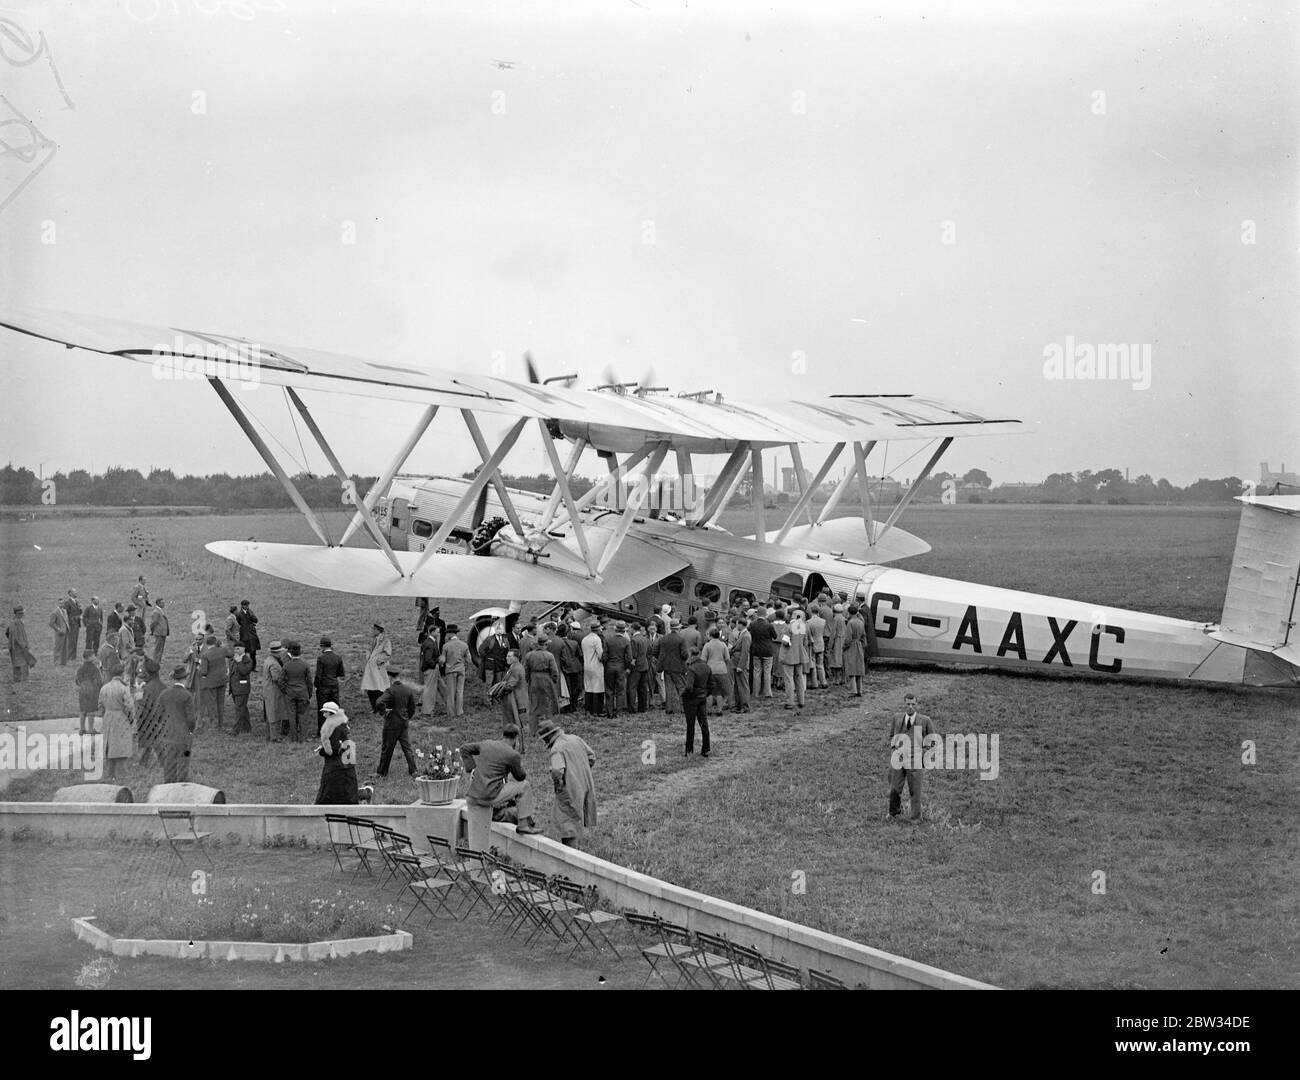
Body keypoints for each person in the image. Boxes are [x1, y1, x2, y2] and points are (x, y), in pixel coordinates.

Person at [459, 725, 542, 848]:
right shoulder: (512, 755)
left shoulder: (486, 744)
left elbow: (464, 748)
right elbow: (520, 777)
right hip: (488, 797)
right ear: (516, 739)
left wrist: (472, 769)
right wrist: (516, 761)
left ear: (503, 735)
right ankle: (523, 825)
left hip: (472, 795)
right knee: (524, 786)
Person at [538, 718, 597, 847]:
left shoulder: (557, 749)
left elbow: (557, 771)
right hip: (585, 783)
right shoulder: (575, 739)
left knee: (567, 822)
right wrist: (580, 770)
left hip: (569, 788)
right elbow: (591, 756)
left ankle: (571, 854)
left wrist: (558, 785)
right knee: (576, 817)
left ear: (548, 737)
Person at [888, 694, 940, 821]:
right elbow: (891, 736)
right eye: (908, 704)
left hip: (915, 760)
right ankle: (893, 813)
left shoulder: (925, 720)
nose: (910, 707)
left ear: (917, 704)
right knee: (895, 787)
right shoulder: (897, 718)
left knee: (915, 790)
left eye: (913, 704)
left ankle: (915, 818)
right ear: (904, 704)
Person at [374, 667, 417, 778]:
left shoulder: (391, 690)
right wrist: (407, 717)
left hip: (391, 724)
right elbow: (412, 707)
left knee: (387, 749)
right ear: (398, 676)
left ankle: (382, 772)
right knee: (407, 748)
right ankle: (414, 770)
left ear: (389, 677)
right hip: (403, 723)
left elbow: (379, 702)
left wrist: (384, 712)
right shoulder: (407, 690)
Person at [157, 664, 197, 784]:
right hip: (184, 737)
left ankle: (168, 788)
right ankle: (181, 789)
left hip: (167, 736)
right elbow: (191, 719)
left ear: (174, 679)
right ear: (184, 679)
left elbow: (157, 715)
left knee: (169, 765)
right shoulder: (187, 695)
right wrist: (190, 731)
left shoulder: (164, 694)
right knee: (183, 764)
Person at [97, 663, 136, 781]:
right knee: (121, 746)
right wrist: (131, 720)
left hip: (108, 717)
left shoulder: (104, 688)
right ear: (122, 674)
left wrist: (106, 714)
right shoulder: (123, 688)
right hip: (121, 718)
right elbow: (129, 707)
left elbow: (99, 706)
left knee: (109, 746)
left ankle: (109, 775)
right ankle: (121, 775)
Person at [315, 701, 359, 805]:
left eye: (325, 712)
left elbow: (333, 749)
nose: (323, 714)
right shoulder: (341, 724)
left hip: (335, 766)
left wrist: (322, 751)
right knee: (347, 792)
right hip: (346, 763)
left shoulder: (332, 727)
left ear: (330, 713)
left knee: (329, 794)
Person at [523, 637, 561, 736]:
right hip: (546, 679)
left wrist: (528, 680)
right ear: (545, 645)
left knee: (534, 705)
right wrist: (554, 680)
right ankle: (548, 730)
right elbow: (554, 671)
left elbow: (526, 670)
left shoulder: (529, 655)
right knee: (548, 704)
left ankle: (533, 731)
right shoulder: (549, 655)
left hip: (533, 679)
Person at [197, 633, 233, 732]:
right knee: (220, 703)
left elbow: (204, 672)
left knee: (212, 704)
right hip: (222, 680)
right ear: (215, 642)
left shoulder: (205, 655)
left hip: (211, 682)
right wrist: (222, 646)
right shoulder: (222, 650)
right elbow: (231, 654)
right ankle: (220, 724)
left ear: (206, 643)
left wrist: (198, 669)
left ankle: (214, 725)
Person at [681, 646, 712, 757]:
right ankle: (706, 749)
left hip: (691, 699)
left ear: (691, 655)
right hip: (702, 697)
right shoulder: (707, 667)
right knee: (704, 724)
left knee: (691, 725)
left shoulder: (691, 668)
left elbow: (689, 687)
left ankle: (689, 750)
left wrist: (683, 695)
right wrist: (705, 694)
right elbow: (711, 684)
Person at [280, 640, 312, 742]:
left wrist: (285, 690)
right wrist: (309, 693)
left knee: (292, 716)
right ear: (300, 652)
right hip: (303, 692)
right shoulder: (305, 665)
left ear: (290, 652)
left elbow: (281, 681)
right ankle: (303, 737)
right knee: (303, 716)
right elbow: (310, 681)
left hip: (290, 693)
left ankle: (293, 737)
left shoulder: (286, 665)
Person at [779, 608, 811, 710]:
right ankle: (801, 701)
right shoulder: (804, 627)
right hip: (800, 656)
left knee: (789, 679)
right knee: (799, 678)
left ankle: (790, 702)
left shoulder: (788, 627)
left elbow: (784, 642)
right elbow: (806, 643)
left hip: (789, 656)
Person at [136, 658, 166, 765]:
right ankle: (144, 762)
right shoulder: (163, 686)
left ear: (149, 674)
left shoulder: (148, 688)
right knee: (154, 742)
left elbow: (144, 706)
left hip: (150, 719)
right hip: (161, 719)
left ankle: (161, 762)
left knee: (152, 742)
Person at [492, 648, 530, 730]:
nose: (506, 658)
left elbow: (510, 686)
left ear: (516, 658)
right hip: (515, 699)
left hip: (515, 700)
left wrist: (497, 690)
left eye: (509, 656)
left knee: (514, 725)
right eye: (507, 656)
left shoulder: (516, 669)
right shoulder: (514, 667)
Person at [314, 637, 345, 731]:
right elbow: (341, 673)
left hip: (323, 687)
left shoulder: (321, 658)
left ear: (322, 646)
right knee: (335, 708)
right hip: (334, 685)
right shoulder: (338, 658)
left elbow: (318, 675)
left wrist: (316, 685)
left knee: (323, 709)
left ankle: (322, 730)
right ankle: (336, 729)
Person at [658, 619, 688, 714]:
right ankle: (683, 707)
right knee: (681, 687)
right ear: (678, 628)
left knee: (668, 688)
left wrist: (659, 666)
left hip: (667, 667)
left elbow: (660, 654)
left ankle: (669, 708)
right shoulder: (681, 639)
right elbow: (684, 655)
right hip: (678, 667)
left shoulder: (664, 639)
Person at [701, 625, 732, 716]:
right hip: (721, 670)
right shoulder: (723, 645)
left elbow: (703, 659)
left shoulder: (707, 645)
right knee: (720, 691)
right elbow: (727, 658)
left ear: (710, 636)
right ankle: (719, 710)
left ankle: (709, 710)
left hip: (710, 669)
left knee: (710, 692)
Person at [439, 624, 469, 717]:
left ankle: (451, 713)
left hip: (451, 671)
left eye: (447, 633)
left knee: (450, 693)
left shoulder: (446, 646)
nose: (446, 635)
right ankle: (459, 711)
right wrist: (464, 666)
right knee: (460, 691)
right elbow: (469, 660)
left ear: (450, 634)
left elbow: (443, 660)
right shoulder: (464, 645)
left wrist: (441, 663)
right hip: (461, 670)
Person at [602, 620, 629, 718]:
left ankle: (609, 712)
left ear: (615, 630)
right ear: (623, 631)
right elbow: (629, 658)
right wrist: (626, 666)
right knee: (620, 691)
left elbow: (604, 656)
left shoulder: (608, 640)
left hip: (609, 667)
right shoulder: (626, 641)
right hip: (620, 667)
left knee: (609, 690)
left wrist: (606, 664)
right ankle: (618, 712)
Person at [361, 622, 392, 709]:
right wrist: (368, 657)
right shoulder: (373, 639)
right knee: (370, 688)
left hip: (379, 668)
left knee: (380, 688)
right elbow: (368, 649)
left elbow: (387, 654)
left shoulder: (385, 640)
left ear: (378, 630)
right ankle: (374, 707)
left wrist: (378, 661)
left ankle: (381, 707)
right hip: (371, 668)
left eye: (374, 629)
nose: (372, 631)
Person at [262, 641, 287, 741]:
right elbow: (276, 679)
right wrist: (285, 688)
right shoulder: (274, 664)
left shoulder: (268, 660)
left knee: (270, 713)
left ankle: (270, 735)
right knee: (274, 714)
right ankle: (275, 737)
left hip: (268, 690)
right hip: (274, 692)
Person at [749, 608, 776, 698]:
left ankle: (755, 692)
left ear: (757, 614)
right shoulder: (769, 625)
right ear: (765, 614)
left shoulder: (752, 624)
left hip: (756, 650)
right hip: (767, 651)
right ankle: (767, 692)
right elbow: (775, 636)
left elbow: (749, 634)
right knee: (767, 672)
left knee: (756, 672)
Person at [228, 643, 255, 735]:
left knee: (239, 709)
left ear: (243, 649)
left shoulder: (247, 660)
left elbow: (244, 671)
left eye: (238, 649)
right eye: (235, 649)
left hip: (242, 689)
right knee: (243, 708)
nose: (236, 651)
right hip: (234, 688)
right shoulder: (233, 659)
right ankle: (247, 728)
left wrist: (239, 662)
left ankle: (235, 730)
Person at [556, 622, 583, 713]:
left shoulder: (559, 643)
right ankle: (574, 706)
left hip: (565, 668)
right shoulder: (574, 643)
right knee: (575, 688)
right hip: (575, 667)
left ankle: (567, 706)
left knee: (567, 689)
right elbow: (579, 655)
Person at [580, 619, 605, 715]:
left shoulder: (585, 639)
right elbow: (600, 655)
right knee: (597, 688)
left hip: (586, 665)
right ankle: (596, 710)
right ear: (598, 629)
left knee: (588, 688)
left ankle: (588, 709)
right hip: (596, 666)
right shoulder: (597, 639)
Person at [75, 649, 101, 735]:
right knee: (91, 711)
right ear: (89, 657)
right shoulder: (94, 669)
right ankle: (90, 729)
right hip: (92, 691)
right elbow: (98, 681)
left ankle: (82, 729)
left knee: (83, 710)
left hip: (82, 690)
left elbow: (77, 680)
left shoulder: (80, 668)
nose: (95, 657)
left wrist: (82, 686)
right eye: (93, 655)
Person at [843, 604, 867, 697]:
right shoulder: (861, 622)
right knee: (859, 668)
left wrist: (844, 646)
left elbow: (848, 638)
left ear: (849, 613)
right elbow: (864, 636)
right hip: (859, 645)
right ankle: (860, 689)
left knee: (851, 667)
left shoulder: (850, 623)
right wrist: (863, 645)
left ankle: (853, 690)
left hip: (852, 646)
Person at [418, 628, 443, 718]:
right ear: (432, 632)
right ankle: (427, 711)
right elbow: (428, 659)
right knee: (430, 690)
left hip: (430, 668)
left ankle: (443, 706)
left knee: (438, 687)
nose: (439, 633)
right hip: (431, 669)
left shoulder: (429, 642)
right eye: (437, 631)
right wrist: (436, 662)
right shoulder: (430, 644)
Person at [729, 617, 752, 712]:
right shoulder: (742, 634)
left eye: (738, 624)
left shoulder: (746, 636)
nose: (736, 626)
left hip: (740, 664)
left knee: (743, 685)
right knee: (738, 685)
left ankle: (745, 706)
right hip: (735, 662)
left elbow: (745, 652)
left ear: (741, 624)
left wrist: (741, 666)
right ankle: (739, 705)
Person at [628, 623, 652, 713]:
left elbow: (633, 656)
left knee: (632, 687)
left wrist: (630, 667)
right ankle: (643, 708)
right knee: (643, 688)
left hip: (636, 667)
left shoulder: (633, 640)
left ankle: (632, 708)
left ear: (633, 629)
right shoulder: (645, 639)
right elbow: (650, 651)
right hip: (645, 665)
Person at [6, 605, 33, 682]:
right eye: (22, 613)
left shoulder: (17, 622)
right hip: (18, 647)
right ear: (18, 614)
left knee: (18, 663)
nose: (23, 615)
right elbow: (17, 636)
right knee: (23, 663)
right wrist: (24, 645)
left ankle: (17, 679)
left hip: (17, 647)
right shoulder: (14, 623)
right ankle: (24, 679)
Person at [807, 604, 827, 689]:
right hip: (821, 642)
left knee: (813, 664)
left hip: (813, 644)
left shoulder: (808, 622)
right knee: (820, 664)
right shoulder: (823, 621)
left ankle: (814, 683)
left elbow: (808, 635)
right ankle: (823, 682)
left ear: (811, 611)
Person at [828, 603, 847, 684]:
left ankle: (837, 679)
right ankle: (844, 678)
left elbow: (833, 633)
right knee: (842, 660)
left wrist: (830, 645)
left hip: (837, 641)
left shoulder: (836, 619)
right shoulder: (844, 619)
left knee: (836, 660)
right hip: (844, 640)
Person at [63, 589, 82, 664]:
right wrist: (76, 618)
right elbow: (66, 615)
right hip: (71, 624)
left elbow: (78, 612)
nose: (76, 593)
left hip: (76, 624)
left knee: (75, 640)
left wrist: (80, 609)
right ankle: (69, 656)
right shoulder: (67, 603)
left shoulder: (76, 602)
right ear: (70, 593)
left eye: (76, 591)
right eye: (74, 592)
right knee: (71, 641)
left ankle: (73, 656)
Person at [148, 598, 169, 663]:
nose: (164, 604)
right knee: (157, 647)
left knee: (161, 647)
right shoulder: (156, 612)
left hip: (162, 632)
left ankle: (158, 660)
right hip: (159, 632)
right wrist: (152, 631)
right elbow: (154, 622)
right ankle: (155, 660)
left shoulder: (160, 611)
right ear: (158, 603)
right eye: (162, 603)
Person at [49, 601, 69, 666]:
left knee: (64, 648)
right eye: (60, 603)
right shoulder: (55, 612)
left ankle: (63, 662)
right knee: (58, 648)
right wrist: (58, 629)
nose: (62, 604)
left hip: (66, 631)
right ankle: (56, 662)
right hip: (59, 633)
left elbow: (66, 620)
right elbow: (51, 623)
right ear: (57, 604)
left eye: (63, 603)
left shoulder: (65, 611)